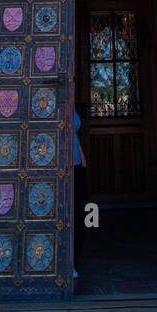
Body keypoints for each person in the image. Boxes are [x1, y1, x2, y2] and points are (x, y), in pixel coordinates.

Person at [73, 106, 87, 280]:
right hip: (59, 164)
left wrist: (82, 154)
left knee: (78, 212)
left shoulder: (71, 101)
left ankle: (72, 261)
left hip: (76, 162)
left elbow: (74, 131)